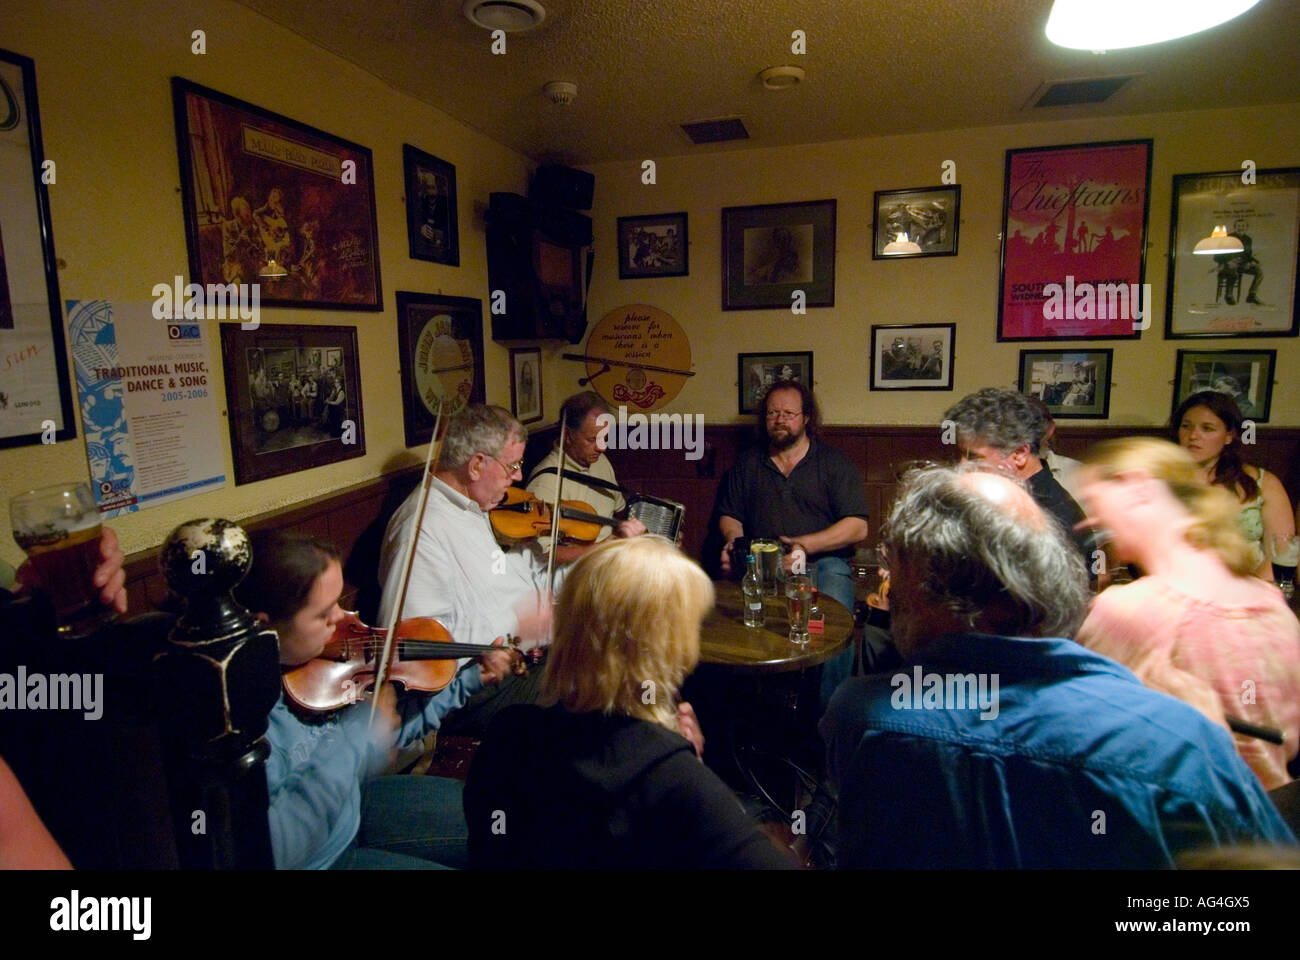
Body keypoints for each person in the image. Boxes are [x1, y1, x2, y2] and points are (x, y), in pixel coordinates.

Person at [821, 463, 1296, 869]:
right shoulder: (1180, 743)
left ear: (929, 590)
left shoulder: (858, 715)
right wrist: (1199, 739)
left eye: (894, 566)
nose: (889, 586)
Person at [464, 535, 795, 869]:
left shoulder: (508, 733)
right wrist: (689, 769)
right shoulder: (670, 774)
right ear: (665, 648)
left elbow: (489, 851)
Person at [235, 532, 513, 869]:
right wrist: (358, 736)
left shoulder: (319, 666)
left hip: (354, 805)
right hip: (321, 860)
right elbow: (276, 851)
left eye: (339, 602)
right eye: (323, 613)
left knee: (505, 823)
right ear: (264, 627)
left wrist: (468, 681)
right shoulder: (246, 722)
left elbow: (382, 737)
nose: (342, 618)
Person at [1073, 438, 1300, 789]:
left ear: (1138, 487)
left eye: (1095, 503)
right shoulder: (1273, 604)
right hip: (1267, 827)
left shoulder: (1130, 610)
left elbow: (1080, 734)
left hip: (1177, 831)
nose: (1089, 522)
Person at [377, 404, 555, 737]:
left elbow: (508, 578)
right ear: (475, 465)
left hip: (523, 659)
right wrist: (519, 621)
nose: (518, 476)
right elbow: (414, 652)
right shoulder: (420, 530)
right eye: (512, 466)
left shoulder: (475, 507)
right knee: (594, 697)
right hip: (476, 693)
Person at [716, 380, 870, 706]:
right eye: (773, 413)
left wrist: (804, 545)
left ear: (807, 418)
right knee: (736, 623)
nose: (780, 420)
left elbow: (858, 527)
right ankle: (758, 719)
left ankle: (827, 718)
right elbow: (729, 516)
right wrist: (734, 543)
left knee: (831, 626)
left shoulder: (833, 463)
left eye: (789, 413)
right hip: (762, 564)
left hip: (822, 565)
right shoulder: (747, 464)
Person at [944, 387, 1092, 560]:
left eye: (974, 457)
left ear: (1020, 454)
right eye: (962, 455)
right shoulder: (1004, 500)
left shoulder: (1051, 519)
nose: (962, 466)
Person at [1175, 389, 1295, 580]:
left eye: (1207, 428)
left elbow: (1280, 552)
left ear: (1229, 436)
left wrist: (1248, 596)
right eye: (1186, 426)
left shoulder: (1264, 483)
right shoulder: (1162, 481)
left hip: (1253, 590)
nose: (1193, 435)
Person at [525, 391, 646, 564]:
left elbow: (618, 512)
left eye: (605, 437)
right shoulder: (545, 483)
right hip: (577, 572)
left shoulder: (600, 461)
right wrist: (606, 547)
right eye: (593, 439)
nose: (602, 447)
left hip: (611, 559)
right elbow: (545, 554)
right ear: (568, 435)